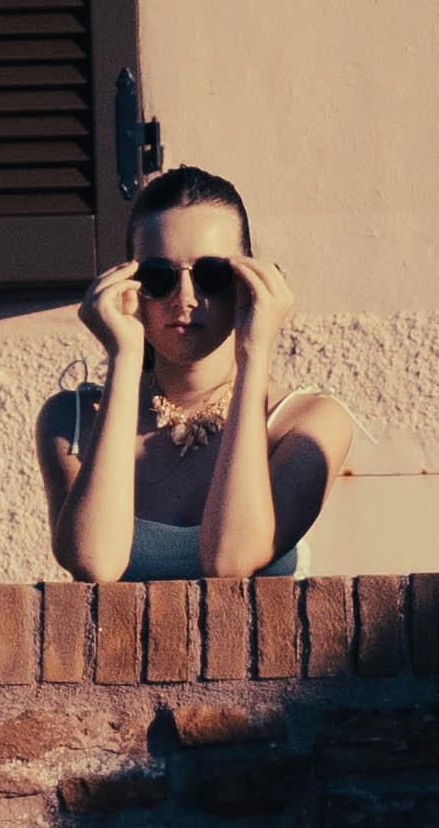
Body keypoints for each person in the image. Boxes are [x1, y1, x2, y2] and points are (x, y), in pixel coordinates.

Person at [38, 166, 353, 581]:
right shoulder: (74, 419)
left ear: (248, 281)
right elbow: (96, 562)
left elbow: (230, 562)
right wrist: (125, 356)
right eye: (158, 277)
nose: (185, 299)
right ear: (128, 284)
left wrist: (254, 354)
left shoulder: (307, 422)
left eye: (211, 275)